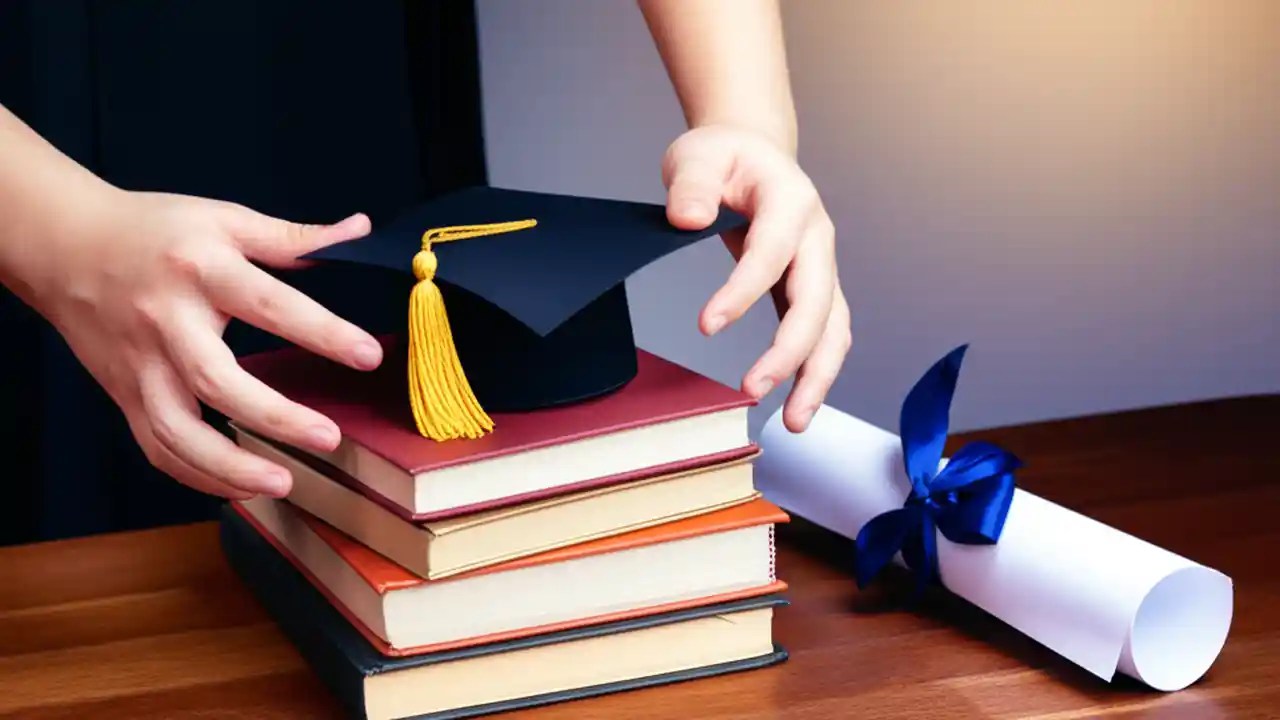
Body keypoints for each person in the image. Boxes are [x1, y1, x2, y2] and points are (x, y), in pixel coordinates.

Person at [0, 0, 849, 543]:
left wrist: (746, 116)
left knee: (399, 516)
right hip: (32, 181)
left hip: (350, 111)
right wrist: (61, 236)